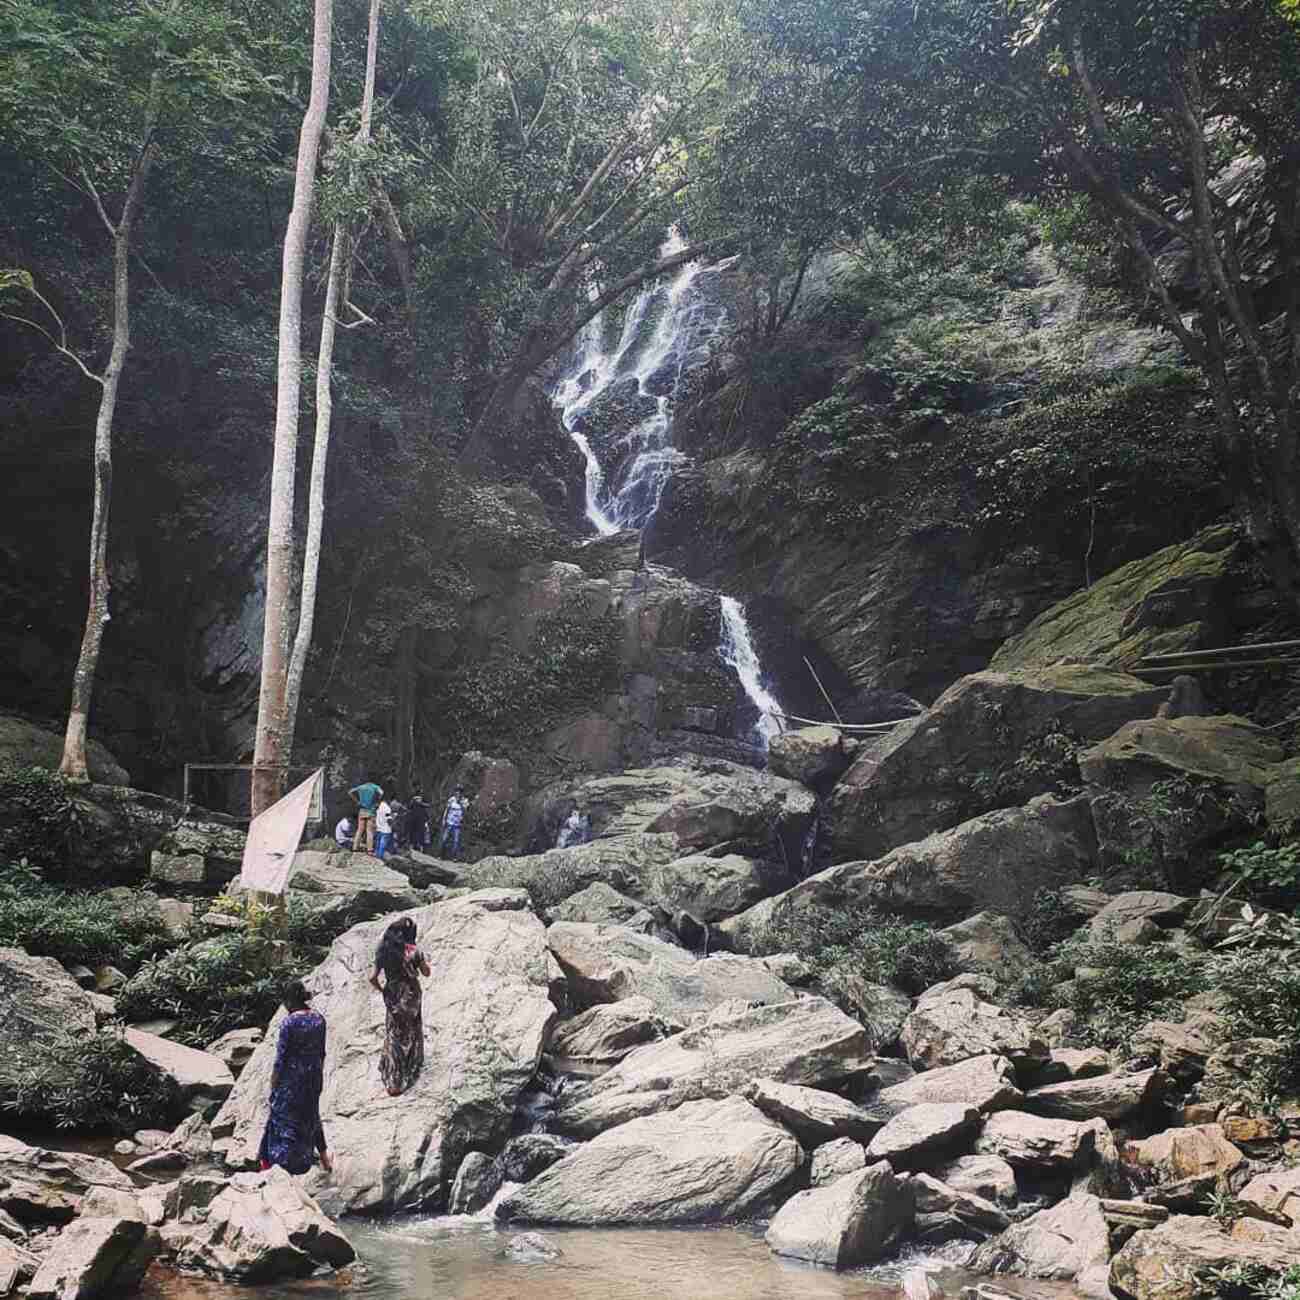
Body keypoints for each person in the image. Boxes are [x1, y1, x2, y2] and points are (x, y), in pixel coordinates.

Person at [257, 980, 333, 1176]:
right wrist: (317, 1076)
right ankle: (324, 1158)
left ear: (289, 1000)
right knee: (311, 1115)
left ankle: (276, 1165)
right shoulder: (319, 1019)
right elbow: (322, 1053)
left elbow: (280, 1059)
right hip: (313, 1077)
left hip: (291, 1080)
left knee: (280, 1119)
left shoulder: (289, 1023)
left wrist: (274, 1083)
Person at [369, 917, 431, 1096]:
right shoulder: (413, 951)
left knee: (394, 1033)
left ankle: (393, 1079)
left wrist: (383, 990)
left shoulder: (383, 950)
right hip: (411, 994)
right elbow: (426, 973)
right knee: (412, 1030)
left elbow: (372, 978)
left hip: (393, 993)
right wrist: (421, 962)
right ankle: (411, 1067)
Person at [349, 779, 383, 854]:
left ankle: (355, 848)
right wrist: (377, 801)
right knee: (369, 831)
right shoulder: (374, 786)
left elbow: (350, 792)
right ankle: (369, 850)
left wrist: (357, 801)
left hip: (362, 810)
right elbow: (381, 792)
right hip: (371, 810)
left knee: (359, 830)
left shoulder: (361, 787)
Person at [439, 785, 468, 859]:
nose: (458, 793)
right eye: (457, 791)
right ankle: (441, 855)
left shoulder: (465, 801)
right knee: (444, 839)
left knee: (456, 841)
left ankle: (454, 857)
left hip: (458, 824)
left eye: (460, 792)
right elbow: (447, 810)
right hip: (449, 822)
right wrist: (444, 819)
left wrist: (461, 803)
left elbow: (465, 811)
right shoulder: (451, 799)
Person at [374, 795, 394, 860]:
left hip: (378, 828)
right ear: (388, 800)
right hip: (385, 829)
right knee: (382, 844)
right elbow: (388, 818)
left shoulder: (379, 807)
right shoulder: (387, 808)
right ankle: (380, 856)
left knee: (378, 842)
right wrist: (392, 823)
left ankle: (376, 854)